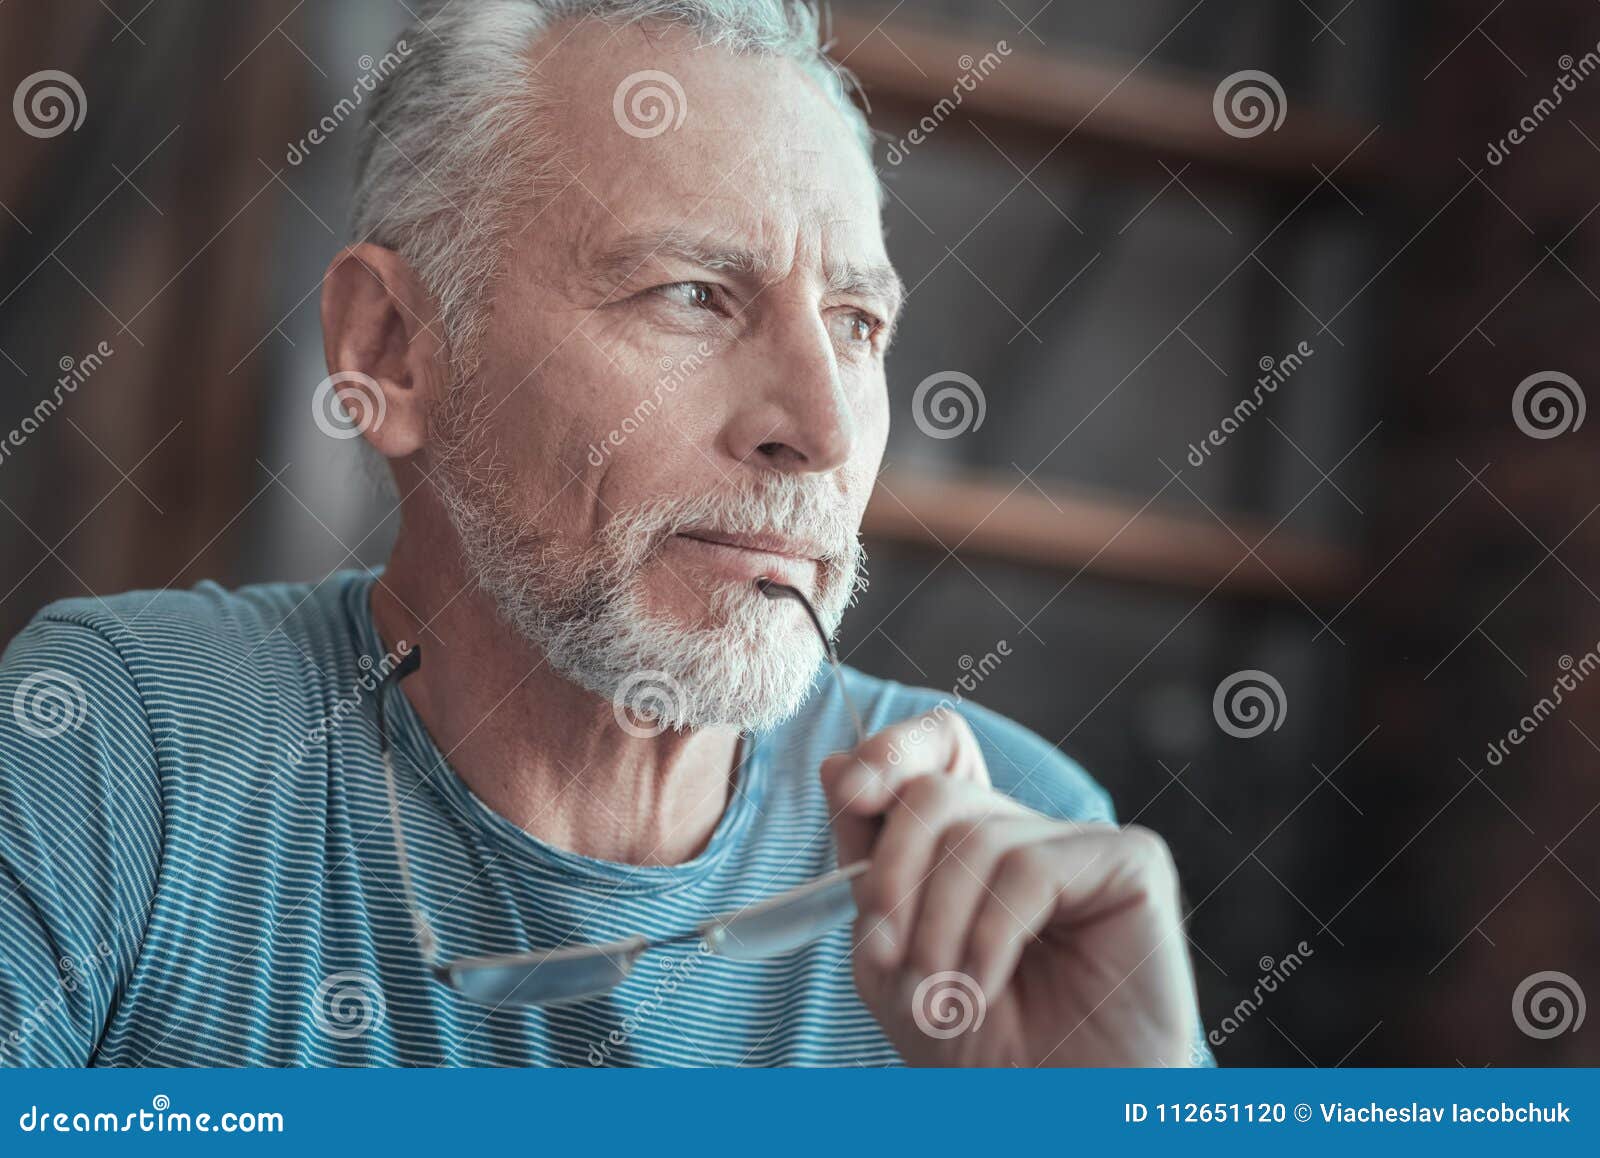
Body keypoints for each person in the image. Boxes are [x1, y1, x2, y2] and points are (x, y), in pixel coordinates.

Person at [0, 0, 1201, 1067]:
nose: (824, 432)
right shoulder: (121, 742)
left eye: (854, 323)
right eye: (692, 294)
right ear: (390, 350)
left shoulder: (1016, 859)